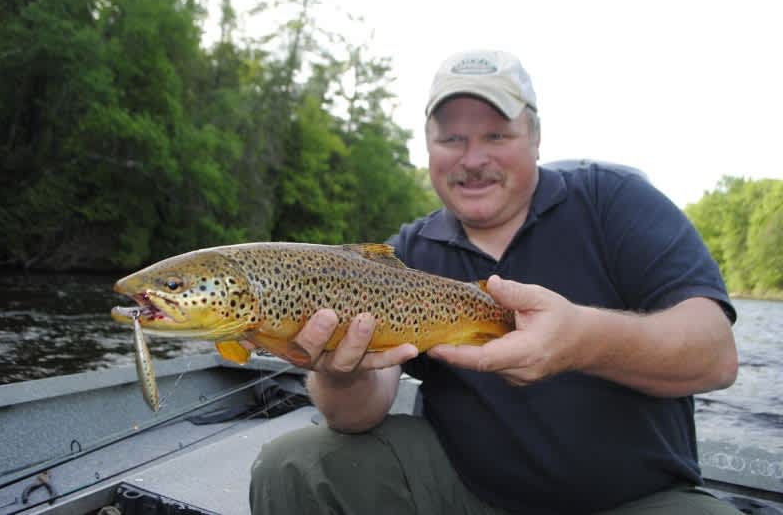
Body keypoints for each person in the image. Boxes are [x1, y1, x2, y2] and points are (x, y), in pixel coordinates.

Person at [242, 49, 741, 514]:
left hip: (636, 500)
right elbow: (357, 414)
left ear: (537, 137)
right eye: (451, 138)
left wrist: (582, 342)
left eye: (496, 136)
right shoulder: (406, 255)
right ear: (429, 146)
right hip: (465, 491)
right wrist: (338, 371)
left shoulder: (614, 202)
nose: (473, 158)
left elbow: (714, 355)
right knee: (295, 465)